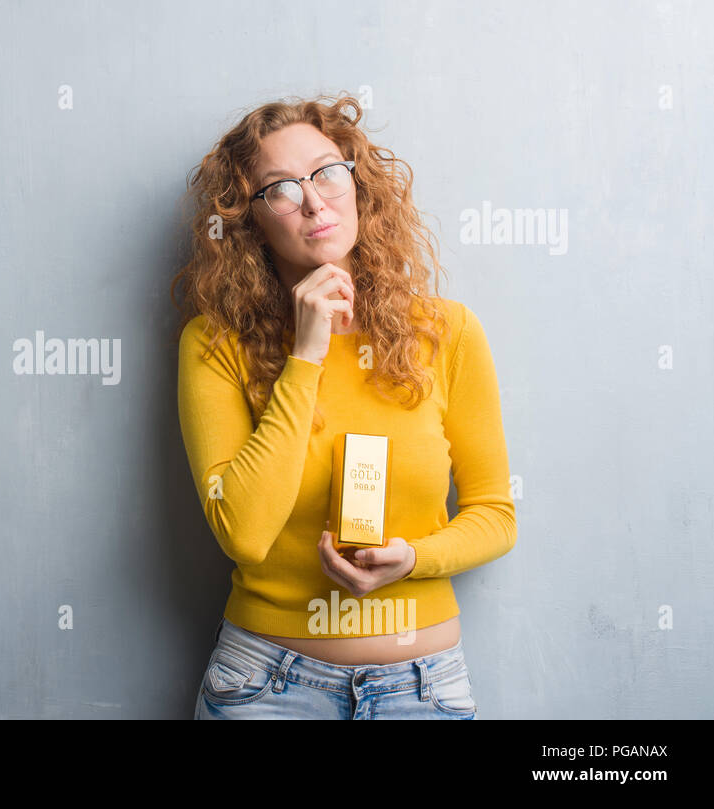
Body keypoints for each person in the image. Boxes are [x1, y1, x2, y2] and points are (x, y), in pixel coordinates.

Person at [171, 94, 517, 719]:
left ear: (357, 181)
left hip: (424, 690)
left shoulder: (450, 332)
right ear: (251, 219)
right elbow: (243, 535)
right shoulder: (215, 343)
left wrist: (415, 559)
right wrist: (304, 356)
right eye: (280, 187)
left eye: (328, 171)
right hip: (265, 689)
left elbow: (495, 516)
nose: (313, 200)